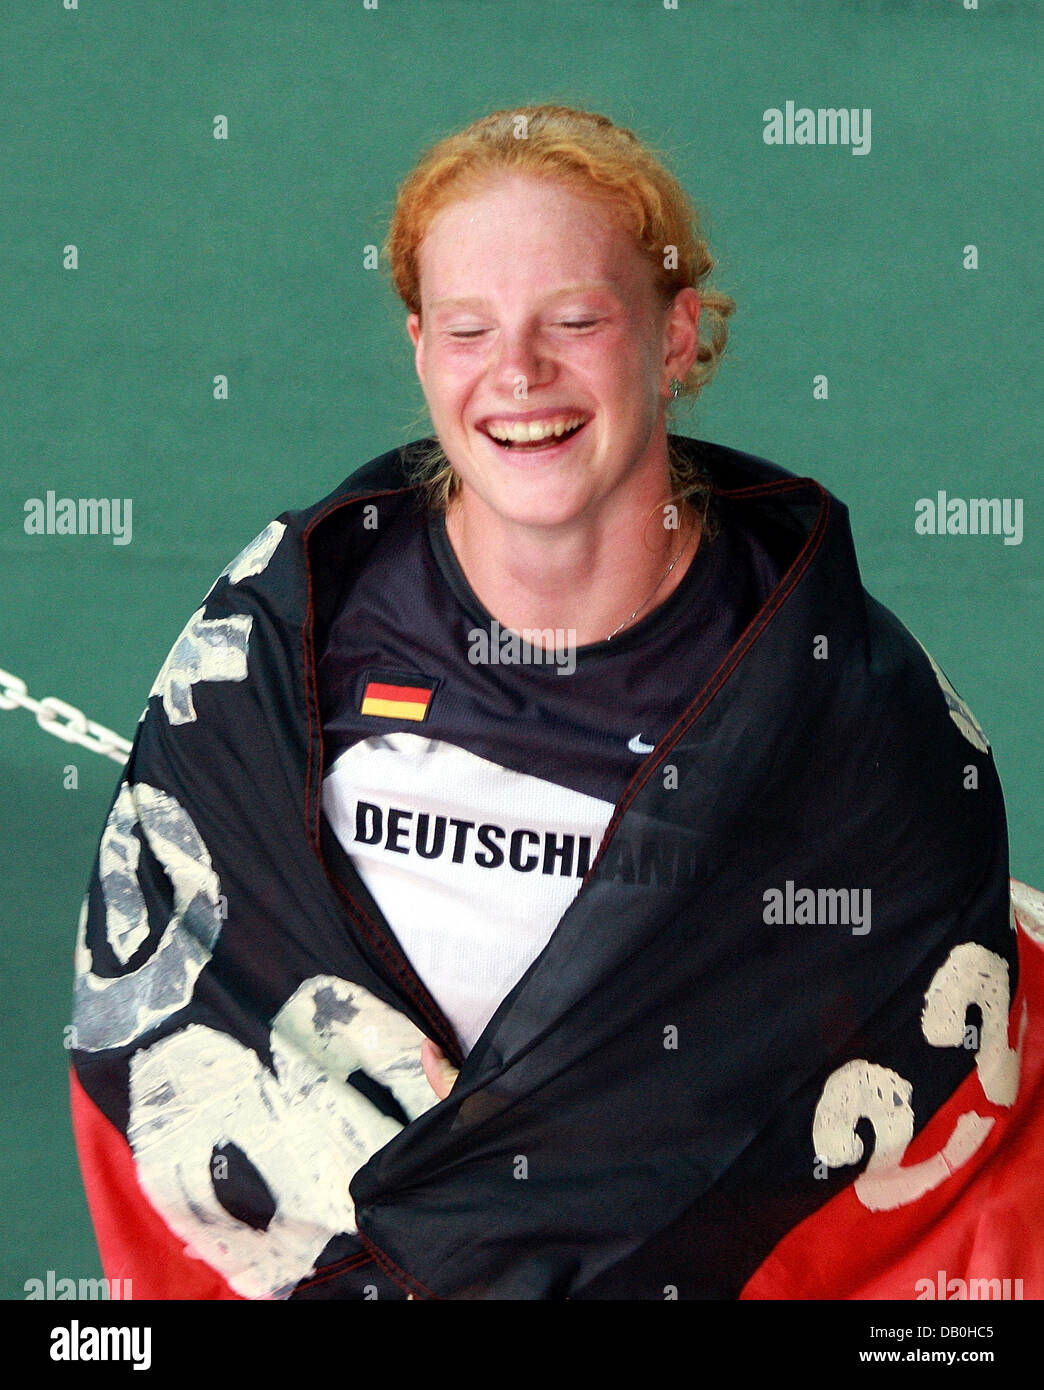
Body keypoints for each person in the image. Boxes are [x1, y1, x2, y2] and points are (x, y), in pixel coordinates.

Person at [69, 104, 1044, 1301]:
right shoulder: (280, 640)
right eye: (469, 329)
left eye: (576, 320)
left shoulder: (846, 705)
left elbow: (918, 1068)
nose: (518, 375)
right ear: (423, 348)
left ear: (676, 334)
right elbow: (162, 1023)